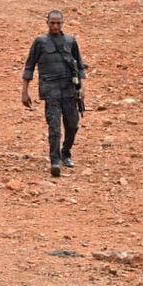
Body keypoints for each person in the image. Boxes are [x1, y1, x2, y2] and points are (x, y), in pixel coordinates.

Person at [21, 10, 86, 177]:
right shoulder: (40, 42)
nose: (55, 26)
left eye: (58, 23)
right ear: (47, 23)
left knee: (72, 125)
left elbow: (80, 66)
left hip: (69, 90)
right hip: (51, 91)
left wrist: (82, 88)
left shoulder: (70, 41)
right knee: (54, 127)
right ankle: (55, 161)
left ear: (62, 23)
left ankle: (66, 153)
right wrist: (25, 92)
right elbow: (29, 66)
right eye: (52, 23)